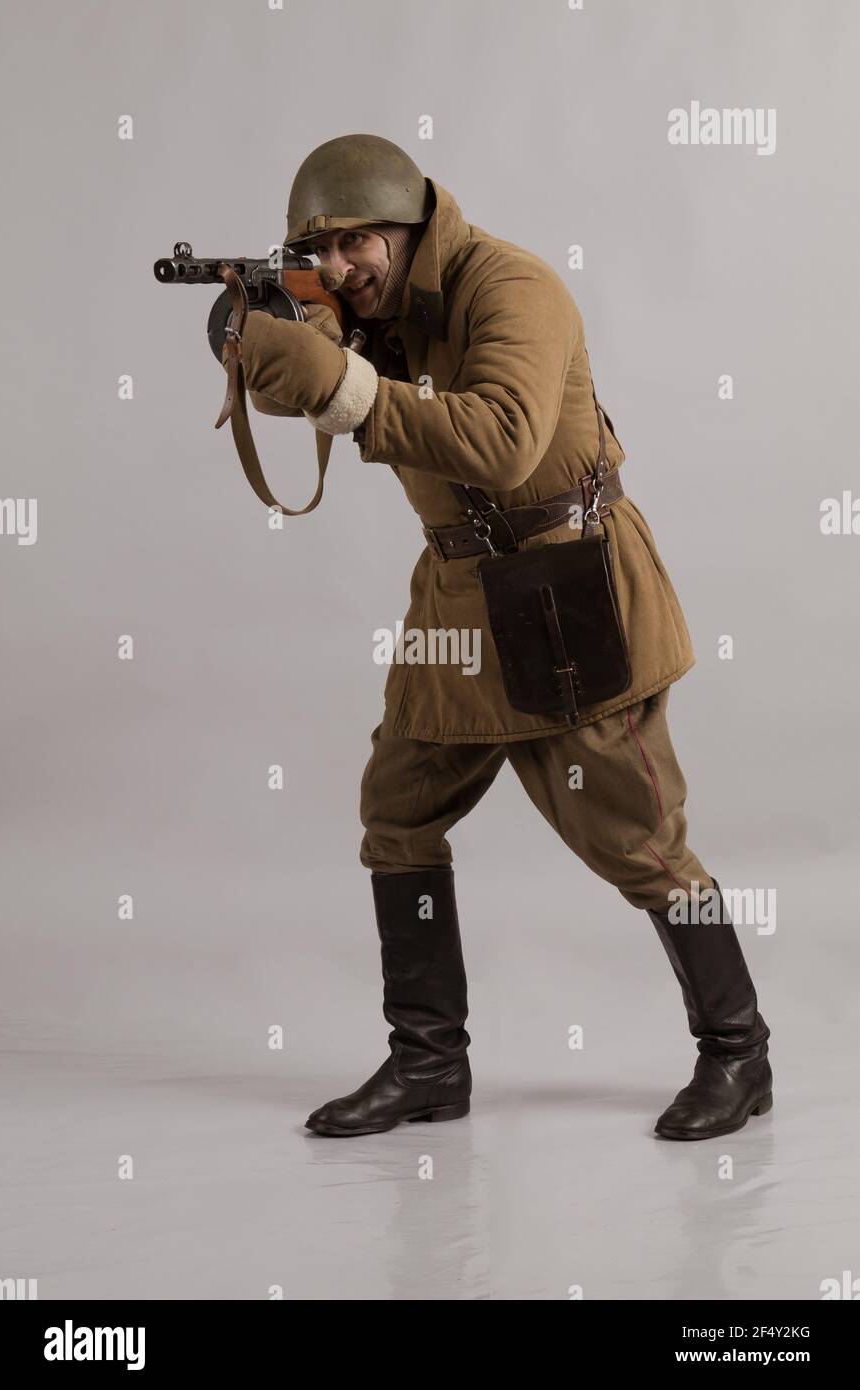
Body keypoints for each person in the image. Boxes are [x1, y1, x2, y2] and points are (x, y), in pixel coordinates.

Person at [234, 133, 772, 1141]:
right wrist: (273, 338)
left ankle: (738, 1053)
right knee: (395, 811)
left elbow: (497, 438)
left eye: (356, 243)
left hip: (563, 589)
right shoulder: (374, 310)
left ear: (405, 225)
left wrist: (332, 376)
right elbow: (302, 383)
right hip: (456, 599)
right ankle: (427, 1063)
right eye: (321, 250)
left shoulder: (509, 286)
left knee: (640, 847)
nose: (343, 266)